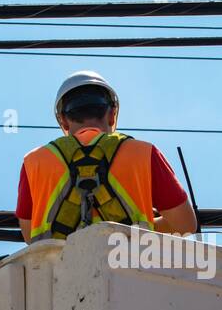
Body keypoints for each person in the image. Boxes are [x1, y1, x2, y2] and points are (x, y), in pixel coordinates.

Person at [16, 71, 198, 242]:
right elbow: (184, 225)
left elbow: (29, 234)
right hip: (127, 270)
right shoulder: (144, 153)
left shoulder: (34, 162)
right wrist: (141, 228)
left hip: (55, 274)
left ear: (63, 119)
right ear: (112, 114)